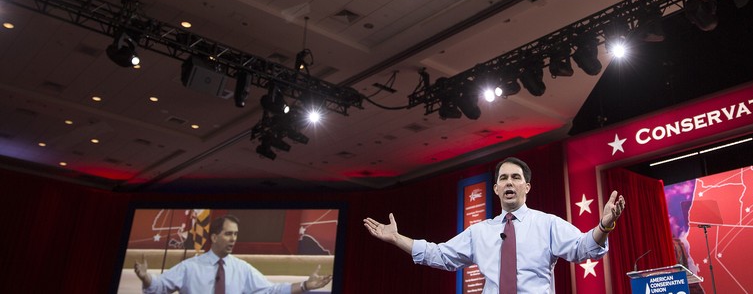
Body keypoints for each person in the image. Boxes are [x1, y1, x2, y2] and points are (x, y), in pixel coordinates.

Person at [364, 157, 626, 293]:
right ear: (496, 189)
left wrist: (603, 226)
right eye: (503, 178)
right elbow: (440, 255)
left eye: (515, 177)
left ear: (527, 186)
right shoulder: (480, 231)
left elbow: (584, 248)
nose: (509, 182)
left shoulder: (547, 224)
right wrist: (397, 238)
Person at [134, 214, 332, 293]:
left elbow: (270, 291)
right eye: (228, 234)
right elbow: (159, 287)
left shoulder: (242, 269)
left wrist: (306, 286)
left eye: (235, 234)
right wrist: (146, 278)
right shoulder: (190, 267)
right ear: (213, 237)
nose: (233, 239)